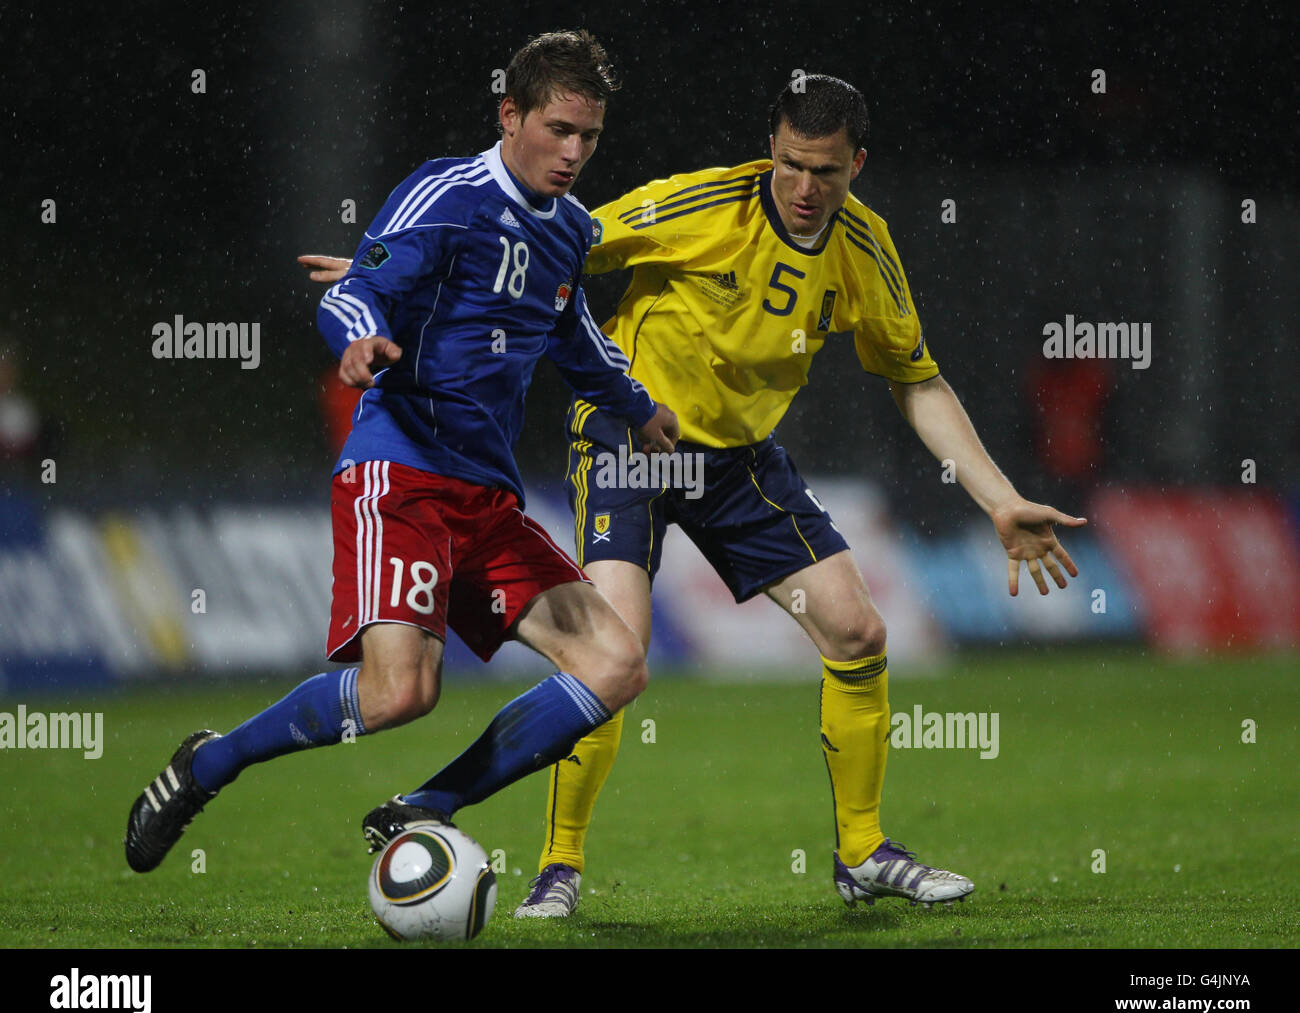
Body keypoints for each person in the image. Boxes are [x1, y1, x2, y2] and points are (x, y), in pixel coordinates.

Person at [300, 74, 1085, 917]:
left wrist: (999, 499)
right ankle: (559, 866)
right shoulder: (696, 205)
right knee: (615, 649)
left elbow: (917, 380)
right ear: (770, 148)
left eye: (826, 171)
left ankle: (861, 851)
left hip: (741, 461)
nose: (806, 187)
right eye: (790, 164)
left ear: (857, 164)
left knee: (857, 628)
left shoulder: (866, 248)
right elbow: (551, 244)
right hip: (632, 441)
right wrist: (411, 272)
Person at [124, 29, 679, 875]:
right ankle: (210, 763)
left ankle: (428, 805)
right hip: (403, 472)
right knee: (400, 694)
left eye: (589, 137)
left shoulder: (570, 230)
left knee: (616, 664)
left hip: (486, 498)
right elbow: (359, 290)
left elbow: (572, 336)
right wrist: (360, 339)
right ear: (510, 114)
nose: (573, 153)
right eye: (558, 130)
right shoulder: (446, 194)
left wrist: (638, 407)